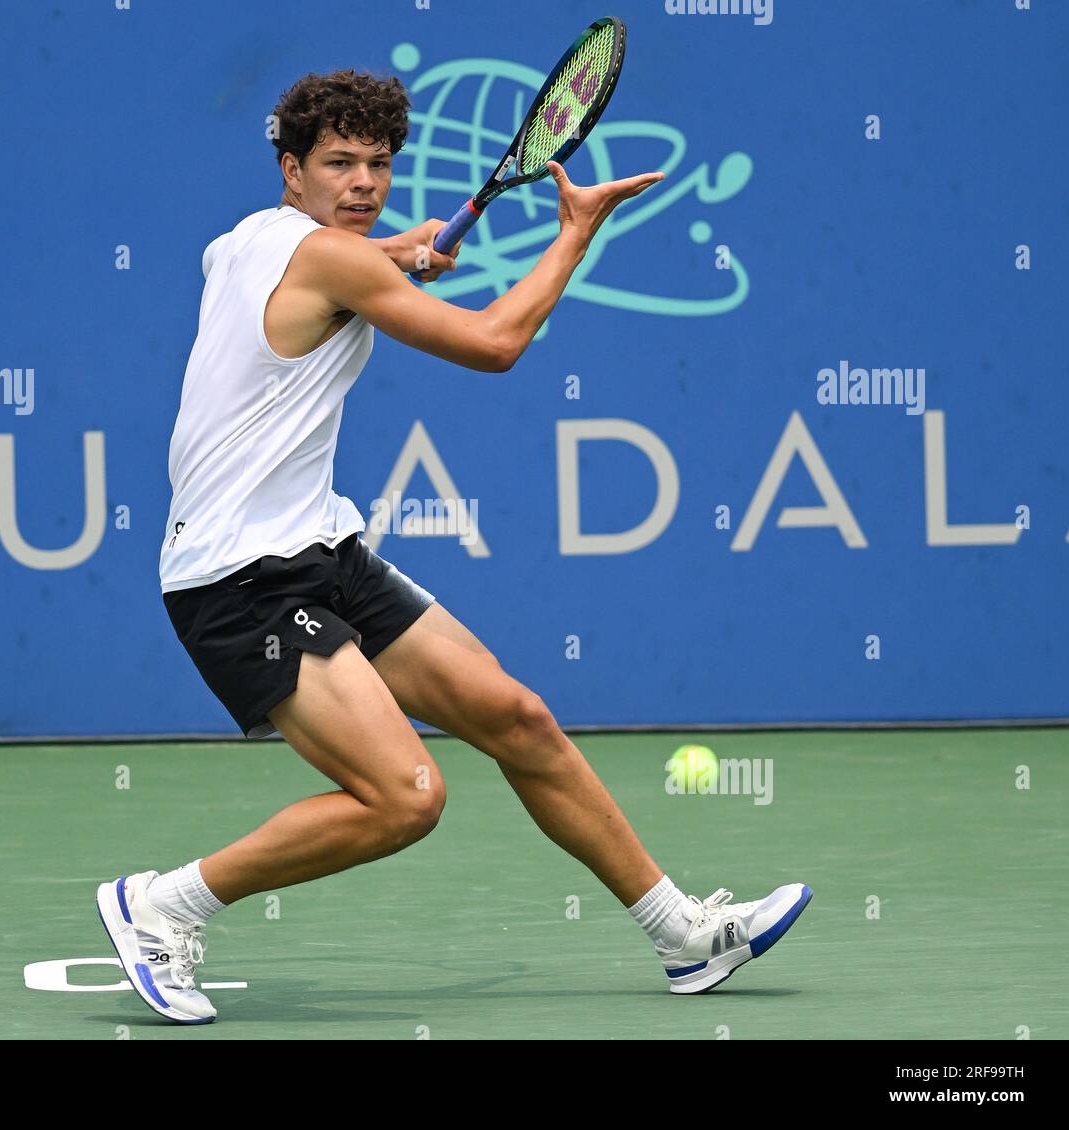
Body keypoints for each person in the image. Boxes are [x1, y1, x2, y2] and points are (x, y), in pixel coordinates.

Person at [97, 69, 810, 1024]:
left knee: (517, 718)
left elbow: (321, 272)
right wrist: (573, 235)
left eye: (378, 164)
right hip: (240, 580)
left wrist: (388, 254)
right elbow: (494, 343)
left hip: (318, 547)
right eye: (337, 164)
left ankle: (678, 932)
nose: (362, 182)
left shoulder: (244, 242)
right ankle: (161, 905)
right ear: (290, 169)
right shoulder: (332, 262)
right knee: (406, 797)